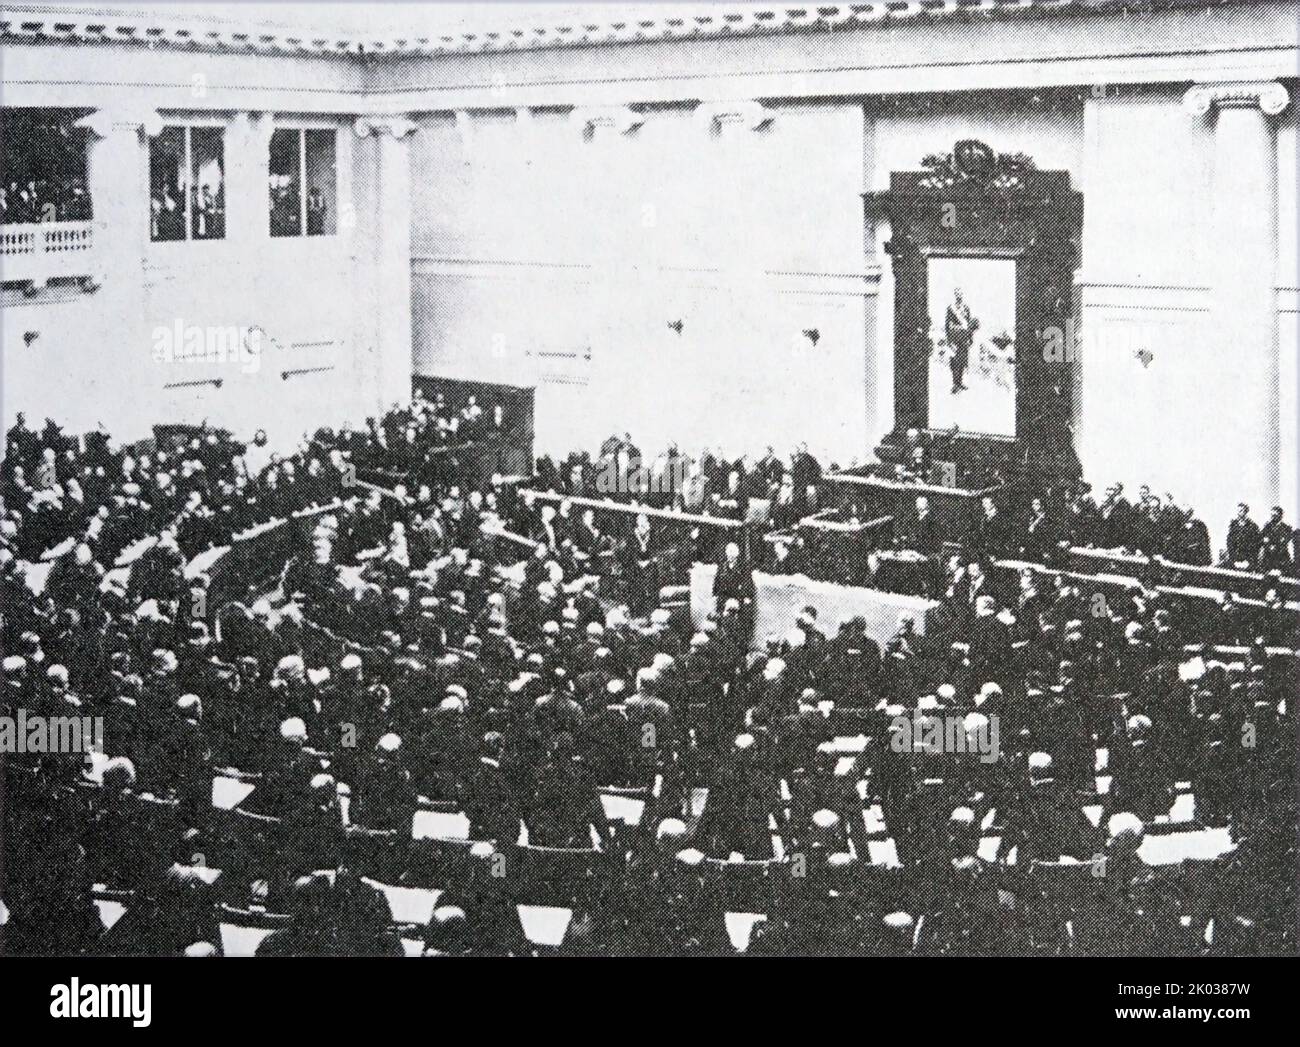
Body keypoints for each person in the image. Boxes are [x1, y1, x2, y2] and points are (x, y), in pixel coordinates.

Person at [944, 287, 978, 393]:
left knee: (963, 360)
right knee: (954, 361)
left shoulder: (966, 308)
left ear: (962, 296)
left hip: (964, 338)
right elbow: (947, 325)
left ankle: (960, 382)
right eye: (957, 294)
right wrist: (949, 340)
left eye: (961, 294)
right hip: (954, 338)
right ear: (955, 295)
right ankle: (955, 384)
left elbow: (968, 325)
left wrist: (970, 338)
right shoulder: (951, 308)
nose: (959, 296)